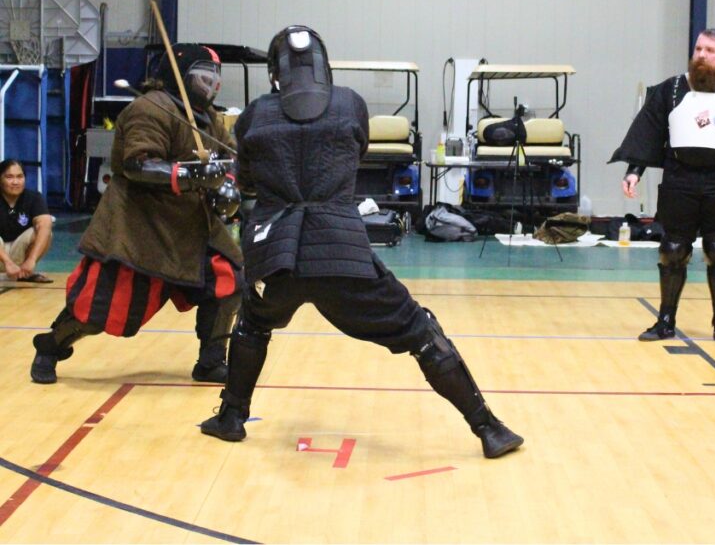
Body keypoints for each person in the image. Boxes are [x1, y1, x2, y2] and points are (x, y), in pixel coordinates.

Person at [199, 25, 523, 460]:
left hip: (277, 255)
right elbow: (355, 151)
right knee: (421, 332)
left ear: (276, 72)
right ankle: (488, 429)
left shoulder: (256, 116)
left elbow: (251, 183)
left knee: (254, 323)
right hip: (340, 250)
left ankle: (232, 417)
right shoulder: (349, 104)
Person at [29, 44, 243, 385]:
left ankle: (210, 362)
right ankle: (51, 347)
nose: (211, 85)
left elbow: (225, 163)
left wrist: (226, 186)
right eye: (203, 77)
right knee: (99, 309)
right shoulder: (151, 108)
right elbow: (138, 164)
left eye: (214, 78)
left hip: (190, 226)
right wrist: (191, 175)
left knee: (228, 279)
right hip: (140, 226)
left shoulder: (210, 119)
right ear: (180, 76)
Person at [610, 29, 715, 345]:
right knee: (673, 250)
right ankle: (665, 321)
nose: (701, 55)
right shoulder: (671, 90)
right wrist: (634, 170)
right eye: (698, 49)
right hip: (679, 179)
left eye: (709, 50)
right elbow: (648, 132)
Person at [0, 159, 54, 283]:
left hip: (19, 254)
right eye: (9, 177)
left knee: (44, 232)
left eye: (20, 177)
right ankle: (12, 267)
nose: (15, 182)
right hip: (1, 255)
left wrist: (31, 260)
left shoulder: (34, 198)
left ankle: (25, 273)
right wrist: (8, 262)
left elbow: (45, 225)